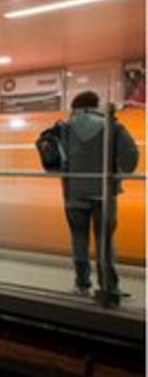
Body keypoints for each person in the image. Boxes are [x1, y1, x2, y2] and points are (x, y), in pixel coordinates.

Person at [60, 91, 139, 306]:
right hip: (105, 194)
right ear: (96, 105)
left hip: (74, 195)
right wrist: (117, 173)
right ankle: (108, 287)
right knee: (105, 241)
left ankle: (82, 285)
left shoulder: (65, 128)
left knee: (79, 239)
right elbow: (131, 157)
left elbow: (57, 161)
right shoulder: (112, 126)